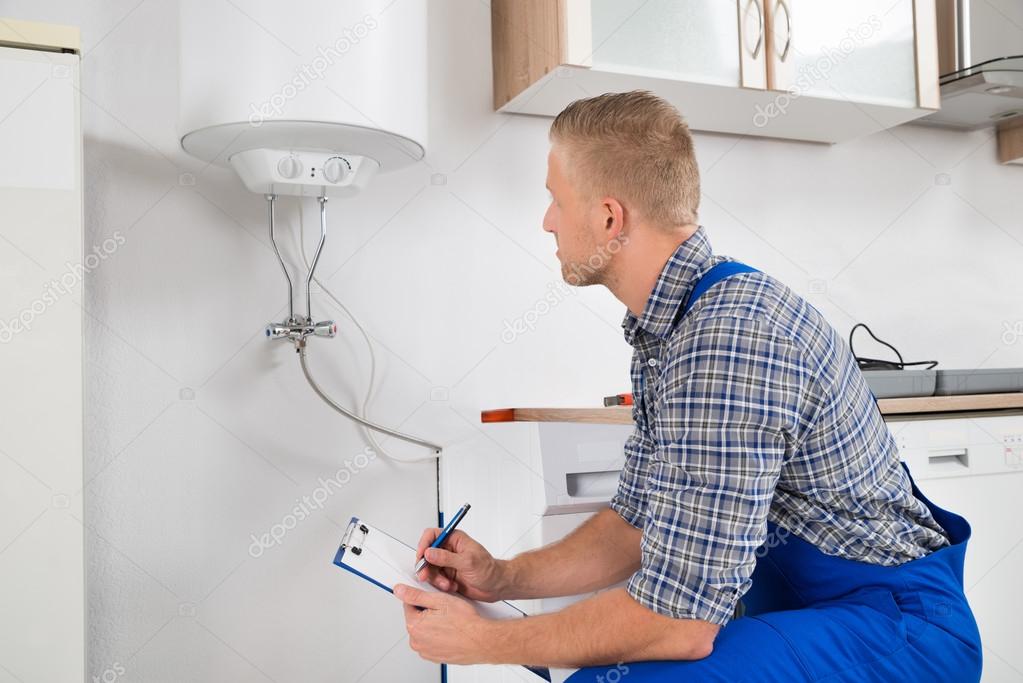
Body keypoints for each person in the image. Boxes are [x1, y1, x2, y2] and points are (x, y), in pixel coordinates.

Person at [393, 90, 982, 681]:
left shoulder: (728, 338)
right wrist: (501, 577)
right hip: (827, 613)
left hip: (901, 631)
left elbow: (679, 624)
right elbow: (636, 526)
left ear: (608, 218)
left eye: (555, 198)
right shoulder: (672, 330)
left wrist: (481, 641)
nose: (547, 220)